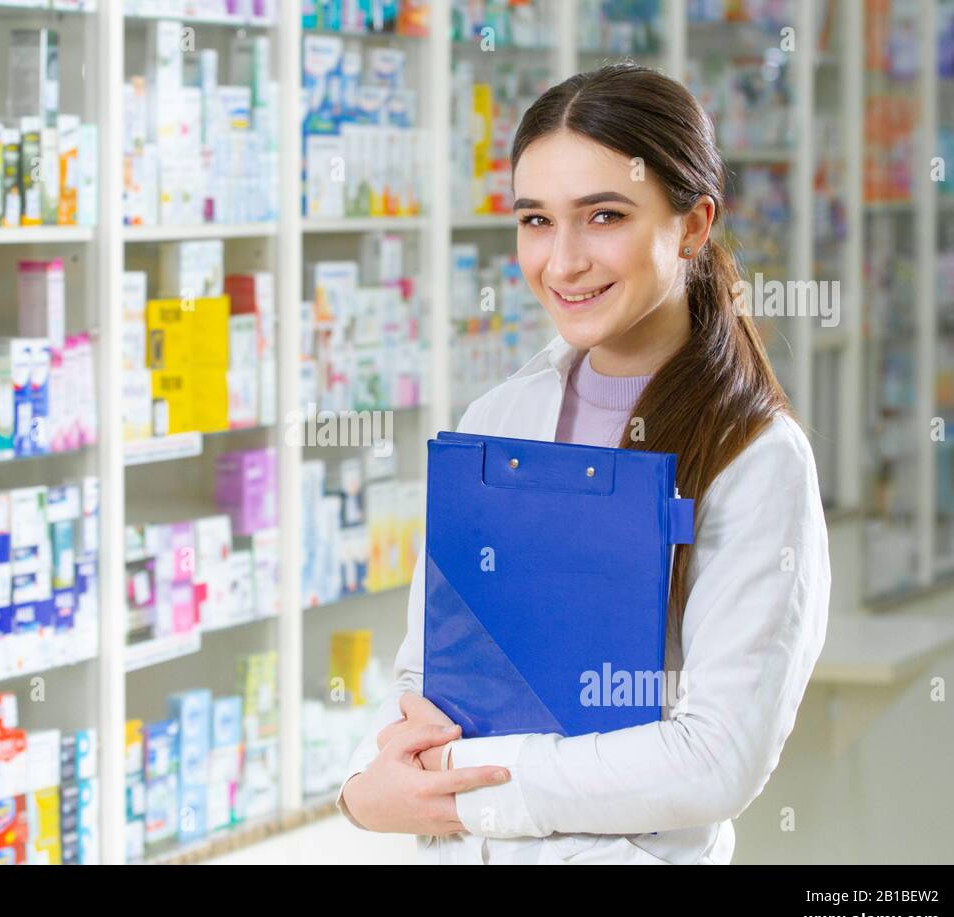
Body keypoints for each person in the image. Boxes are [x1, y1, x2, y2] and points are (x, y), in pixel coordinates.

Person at [336, 63, 832, 864]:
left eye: (604, 216)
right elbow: (426, 676)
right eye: (536, 220)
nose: (561, 263)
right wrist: (364, 786)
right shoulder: (497, 421)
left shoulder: (756, 458)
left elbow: (714, 759)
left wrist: (460, 784)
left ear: (694, 225)